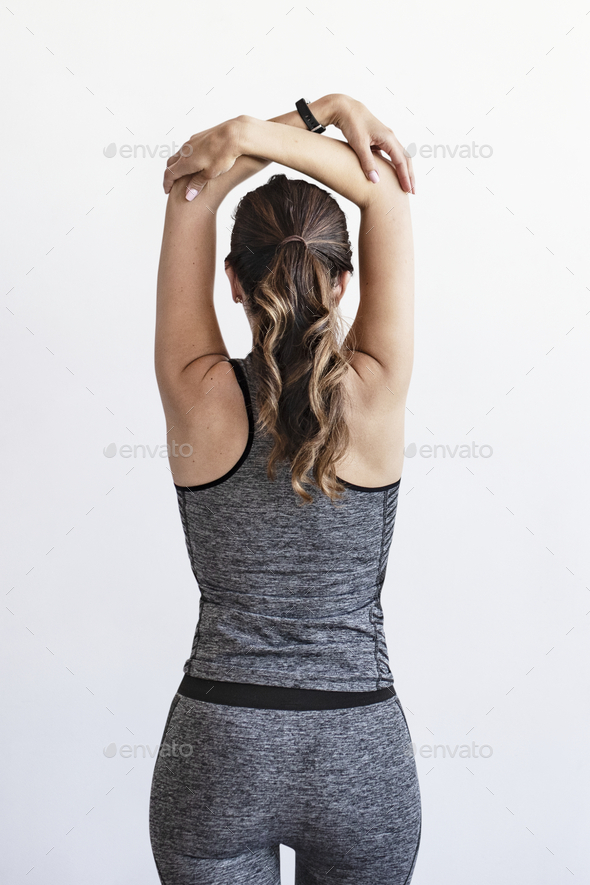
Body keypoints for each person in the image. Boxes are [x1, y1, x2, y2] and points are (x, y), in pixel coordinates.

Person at [149, 94, 420, 885]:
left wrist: (259, 133)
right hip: (359, 745)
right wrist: (326, 111)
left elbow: (190, 189)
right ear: (344, 284)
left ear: (233, 282)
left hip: (217, 745)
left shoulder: (194, 389)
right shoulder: (375, 392)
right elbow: (386, 194)